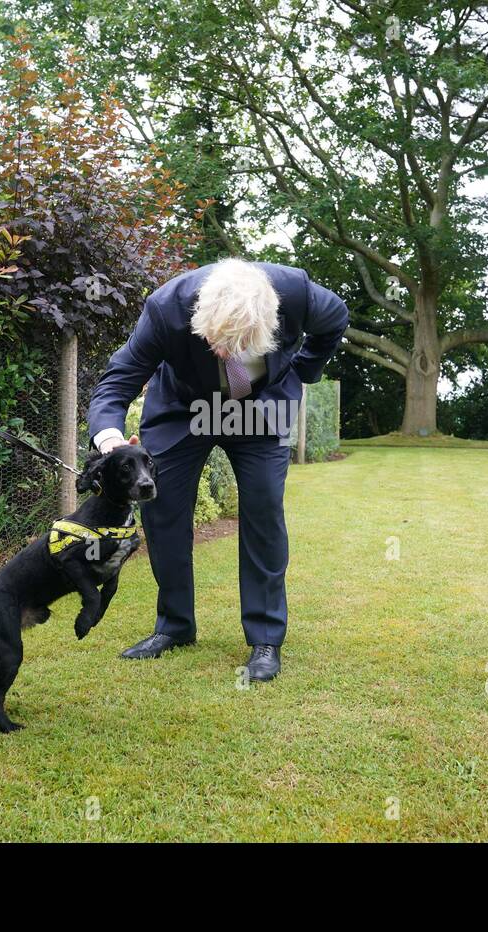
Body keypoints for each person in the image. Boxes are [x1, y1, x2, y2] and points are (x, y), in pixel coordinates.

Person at [87, 259, 349, 681]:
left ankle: (265, 638)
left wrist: (303, 371)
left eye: (240, 342)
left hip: (262, 410)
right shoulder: (166, 308)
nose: (227, 352)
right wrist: (110, 440)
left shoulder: (296, 292)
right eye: (217, 342)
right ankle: (174, 627)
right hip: (183, 409)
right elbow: (118, 381)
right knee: (162, 506)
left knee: (263, 512)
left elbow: (335, 320)